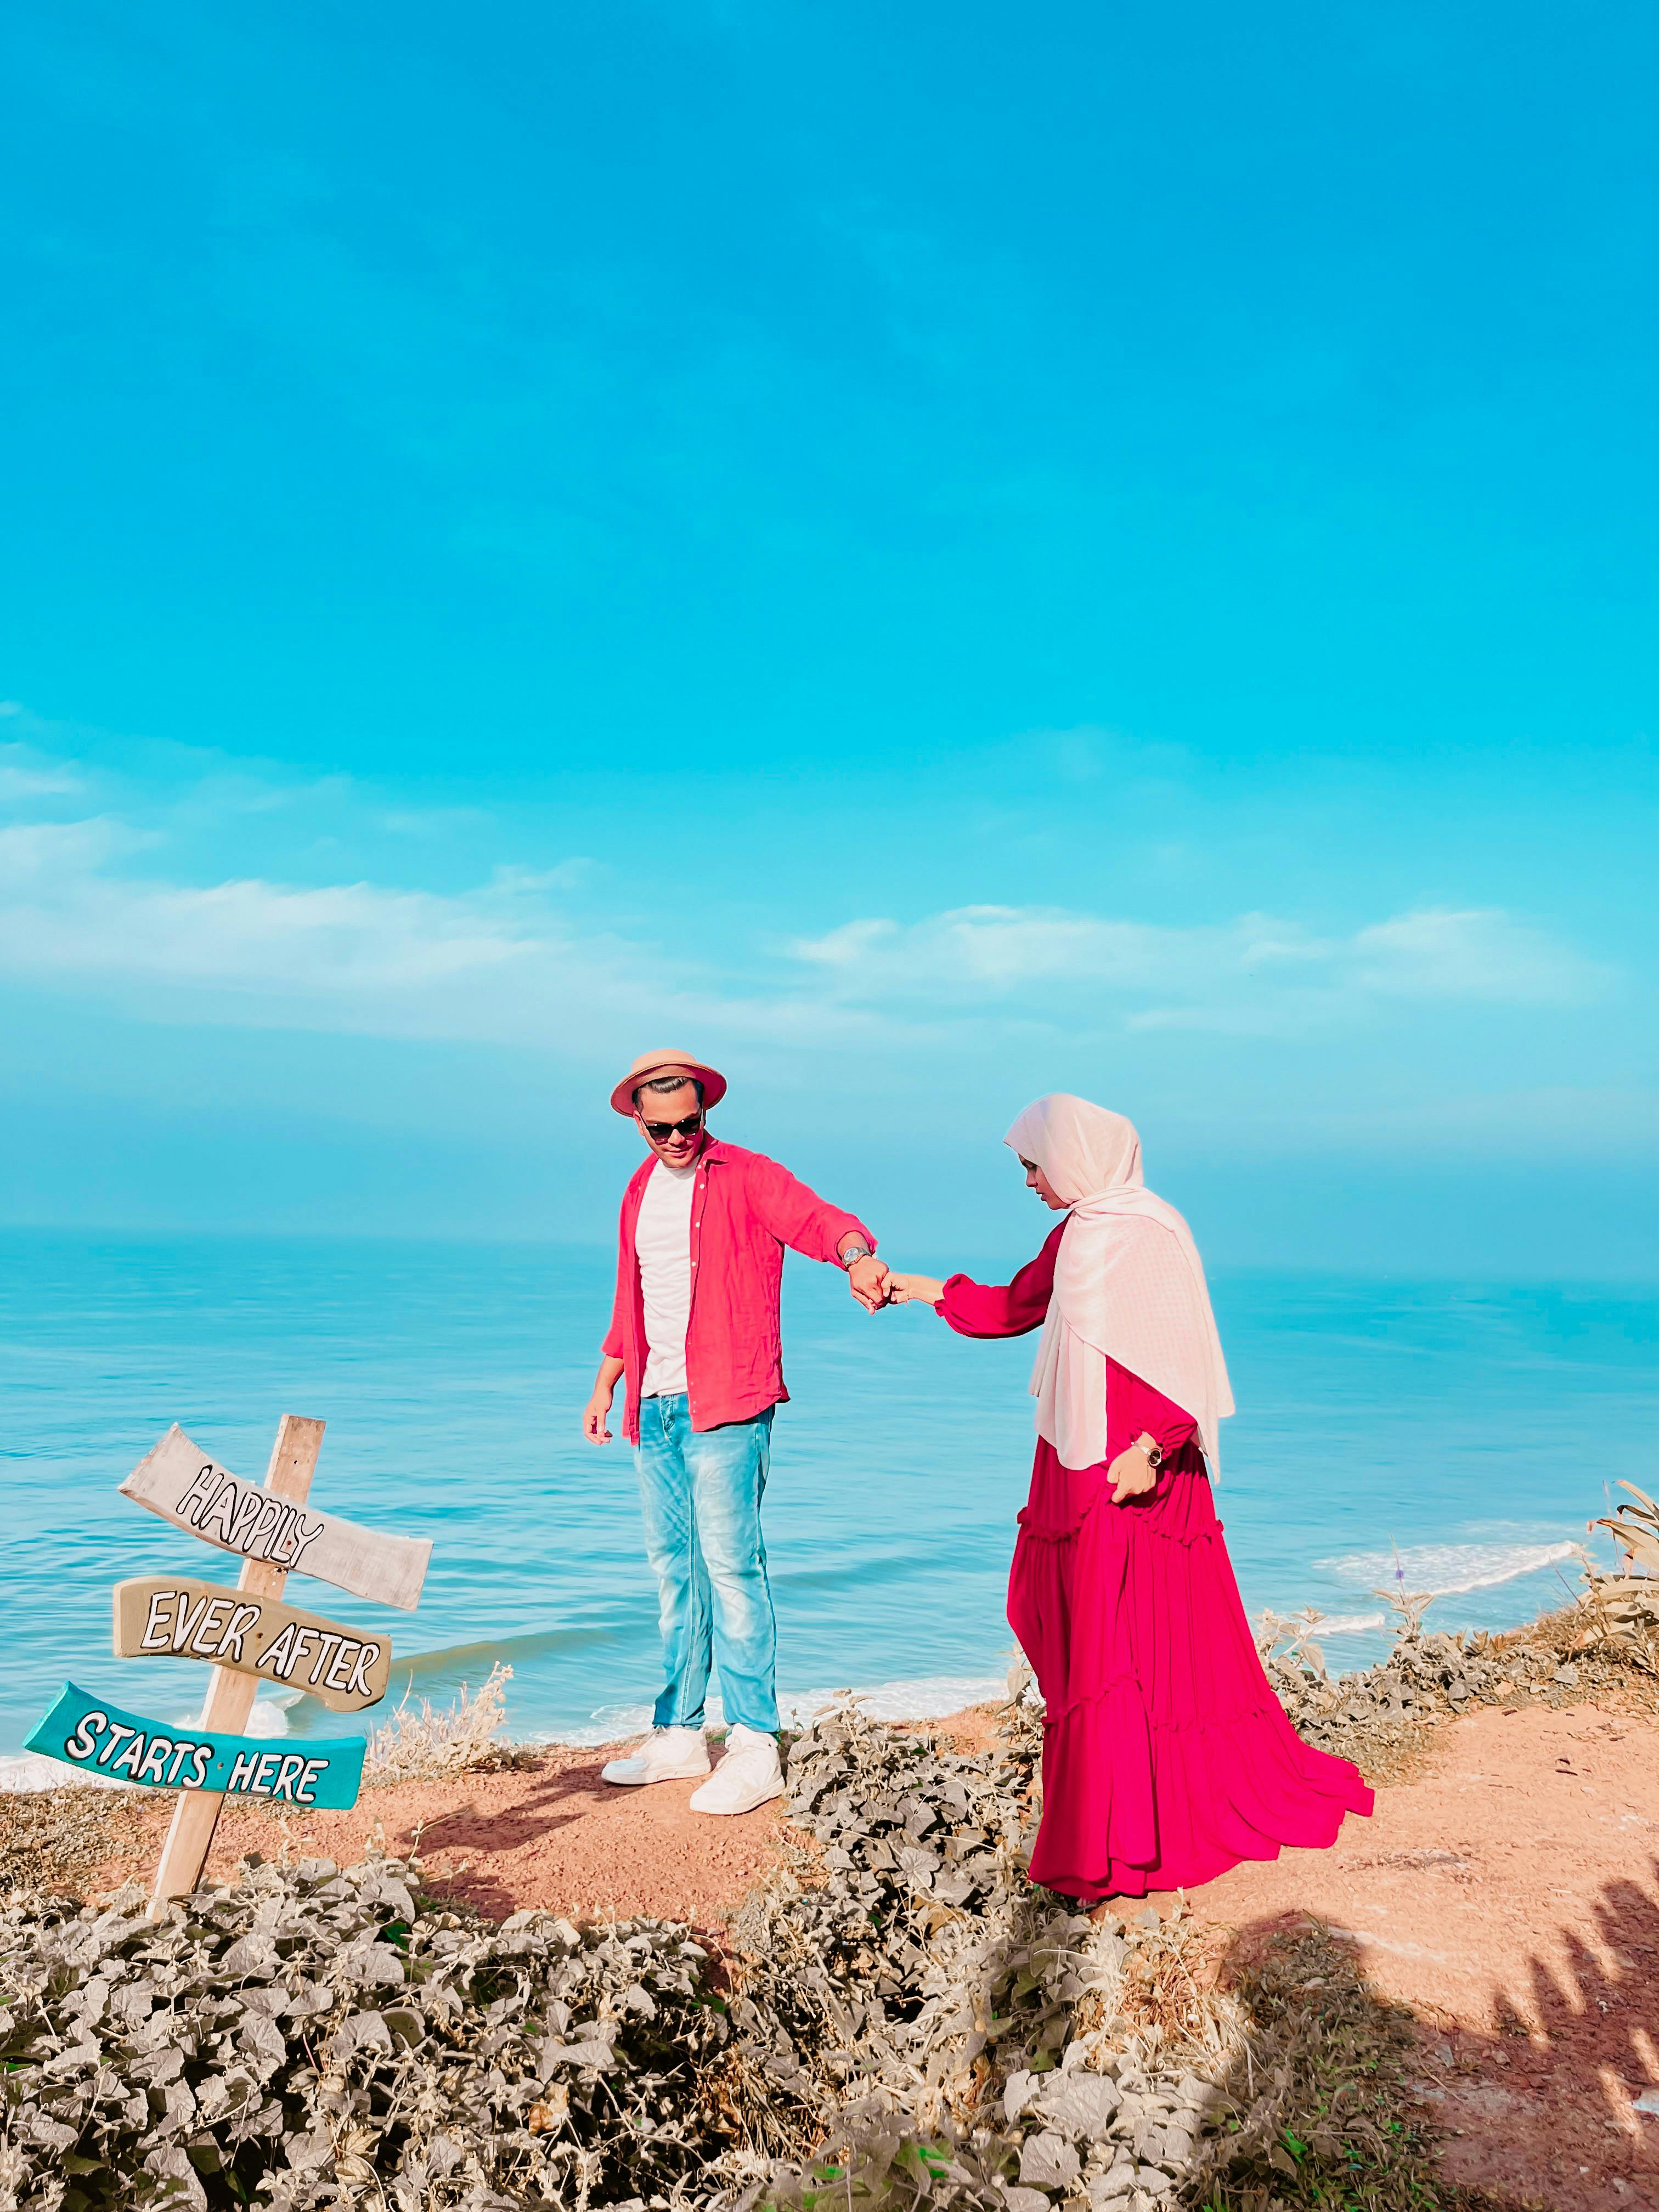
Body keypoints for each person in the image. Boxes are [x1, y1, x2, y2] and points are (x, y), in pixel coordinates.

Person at [887, 1093, 1372, 1899]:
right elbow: (1016, 1306)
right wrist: (923, 1289)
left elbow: (1186, 1357)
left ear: (1075, 1156)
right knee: (1071, 1624)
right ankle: (1107, 1819)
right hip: (1075, 1454)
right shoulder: (1076, 1233)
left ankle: (1125, 1839)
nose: (1030, 1182)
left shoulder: (1151, 1231)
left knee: (1133, 1639)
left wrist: (1152, 1446)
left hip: (1141, 1462)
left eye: (1035, 1165)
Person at [584, 1049, 889, 1816]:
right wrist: (607, 1381)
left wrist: (858, 1258)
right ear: (638, 1122)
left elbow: (820, 1220)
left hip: (726, 1401)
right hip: (654, 1404)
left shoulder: (748, 1176)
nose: (676, 1139)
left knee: (732, 1570)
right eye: (660, 1129)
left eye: (688, 1124)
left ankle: (755, 1745)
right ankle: (681, 1736)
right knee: (674, 1573)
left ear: (705, 1113)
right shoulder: (638, 1190)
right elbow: (634, 1297)